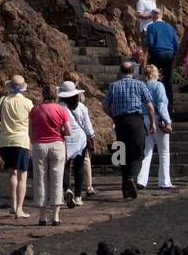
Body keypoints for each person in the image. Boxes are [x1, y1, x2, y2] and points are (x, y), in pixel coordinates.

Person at [102, 60, 156, 200]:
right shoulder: (140, 84)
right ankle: (132, 178)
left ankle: (125, 189)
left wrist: (113, 117)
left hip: (121, 122)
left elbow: (105, 106)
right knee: (138, 153)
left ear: (120, 71)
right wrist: (152, 123)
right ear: (133, 71)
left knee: (123, 155)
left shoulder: (114, 86)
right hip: (136, 121)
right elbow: (150, 106)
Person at [28, 83, 71, 226]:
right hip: (57, 145)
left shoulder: (35, 110)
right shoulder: (61, 109)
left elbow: (30, 131)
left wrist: (34, 142)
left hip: (40, 145)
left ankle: (42, 216)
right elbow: (68, 131)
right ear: (56, 94)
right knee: (57, 179)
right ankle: (56, 216)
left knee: (40, 179)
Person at [0, 75, 34, 218]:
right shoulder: (28, 102)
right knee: (22, 175)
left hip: (5, 141)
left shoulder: (3, 100)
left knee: (12, 173)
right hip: (22, 140)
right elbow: (33, 121)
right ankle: (19, 209)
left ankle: (12, 205)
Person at [137, 64, 174, 191]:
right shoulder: (158, 85)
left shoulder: (141, 85)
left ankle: (141, 180)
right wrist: (167, 121)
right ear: (154, 73)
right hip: (157, 118)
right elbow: (162, 105)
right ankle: (164, 181)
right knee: (164, 151)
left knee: (147, 151)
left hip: (144, 118)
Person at [58, 80, 94, 207]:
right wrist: (92, 138)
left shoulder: (59, 107)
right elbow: (88, 125)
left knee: (65, 166)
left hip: (65, 138)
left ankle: (67, 189)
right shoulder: (82, 107)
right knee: (79, 167)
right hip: (80, 139)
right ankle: (78, 196)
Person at [144, 15, 179, 116]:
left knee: (153, 78)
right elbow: (175, 43)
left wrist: (151, 55)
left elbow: (150, 42)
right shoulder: (170, 27)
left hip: (156, 54)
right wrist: (173, 53)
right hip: (169, 54)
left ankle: (154, 101)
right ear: (162, 16)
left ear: (154, 17)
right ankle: (170, 106)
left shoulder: (151, 27)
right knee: (168, 80)